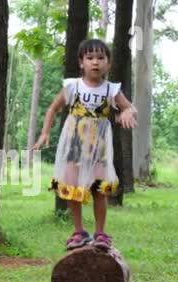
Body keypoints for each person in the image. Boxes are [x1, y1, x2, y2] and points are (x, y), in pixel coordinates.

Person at [33, 39, 137, 250]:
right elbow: (53, 109)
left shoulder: (111, 89)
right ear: (81, 62)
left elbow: (130, 108)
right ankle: (79, 231)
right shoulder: (72, 86)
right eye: (90, 58)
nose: (95, 62)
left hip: (98, 147)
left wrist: (127, 112)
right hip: (73, 144)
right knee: (72, 187)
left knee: (100, 189)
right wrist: (44, 133)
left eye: (100, 58)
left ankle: (100, 233)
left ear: (108, 63)